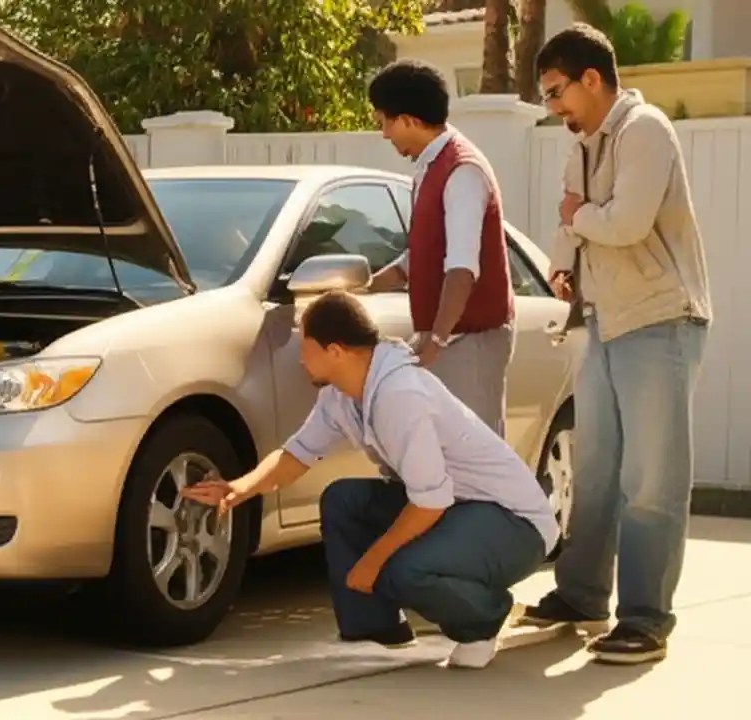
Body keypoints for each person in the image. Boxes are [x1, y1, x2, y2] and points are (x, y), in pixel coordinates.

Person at [183, 290, 557, 670]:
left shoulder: (401, 395)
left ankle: (484, 618)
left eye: (306, 347)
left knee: (405, 570)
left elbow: (431, 502)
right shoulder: (341, 394)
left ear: (336, 351)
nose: (300, 359)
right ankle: (376, 626)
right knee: (343, 500)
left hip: (513, 524)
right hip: (457, 508)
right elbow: (296, 454)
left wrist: (373, 561)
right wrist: (237, 489)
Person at [514, 23, 711, 666]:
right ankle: (582, 595)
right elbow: (569, 223)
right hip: (603, 318)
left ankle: (646, 619)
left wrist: (577, 219)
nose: (553, 108)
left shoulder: (645, 129)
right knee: (594, 469)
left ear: (591, 79)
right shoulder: (585, 141)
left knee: (651, 479)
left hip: (660, 319)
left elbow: (623, 223)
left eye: (556, 92)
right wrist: (568, 253)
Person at [364, 59, 515, 436]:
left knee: (477, 456)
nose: (384, 134)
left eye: (384, 121)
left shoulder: (462, 171)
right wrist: (363, 287)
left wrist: (437, 339)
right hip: (453, 339)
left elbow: (462, 268)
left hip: (471, 341)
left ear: (409, 120)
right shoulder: (431, 167)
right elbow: (422, 256)